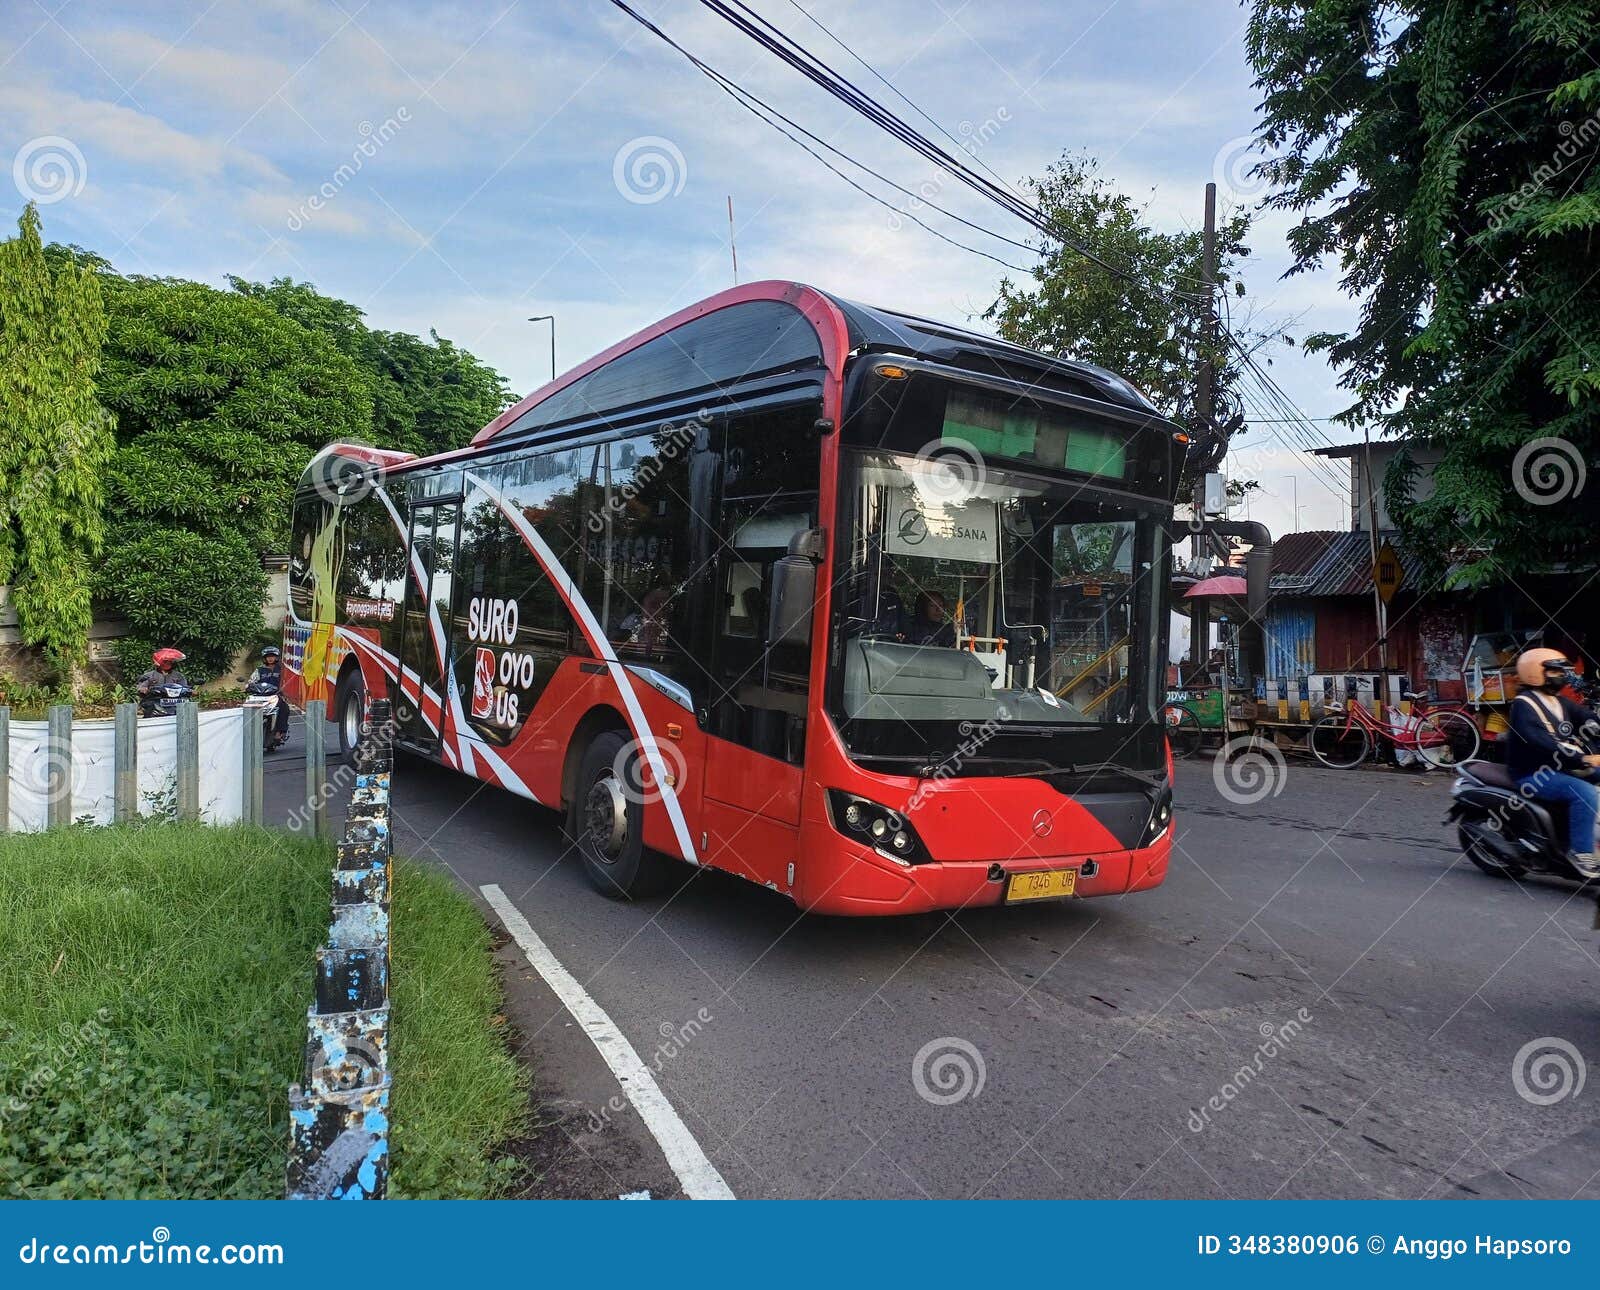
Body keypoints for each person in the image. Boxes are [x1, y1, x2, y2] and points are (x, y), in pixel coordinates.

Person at [1506, 647, 1600, 876]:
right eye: (1555, 671)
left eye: (1561, 671)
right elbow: (1539, 742)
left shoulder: (1558, 701)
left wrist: (1595, 725)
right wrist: (1582, 758)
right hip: (1533, 772)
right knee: (1584, 793)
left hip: (1561, 766)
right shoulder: (1523, 705)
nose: (1561, 676)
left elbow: (1584, 716)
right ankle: (1581, 854)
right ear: (1536, 673)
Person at [250, 646, 290, 745]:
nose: (270, 658)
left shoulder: (282, 669)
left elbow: (287, 681)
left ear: (277, 657)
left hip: (276, 695)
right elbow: (252, 681)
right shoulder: (259, 670)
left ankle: (279, 732)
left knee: (284, 708)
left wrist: (285, 690)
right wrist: (248, 686)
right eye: (268, 656)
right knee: (249, 708)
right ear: (265, 658)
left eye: (272, 656)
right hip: (260, 696)